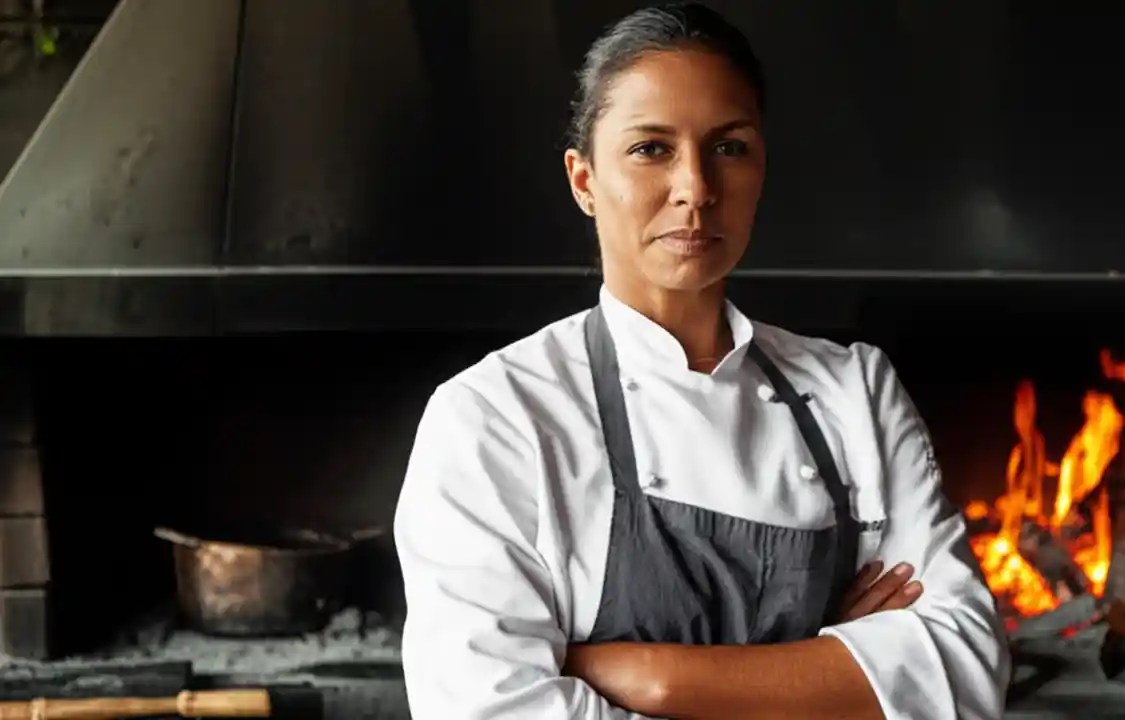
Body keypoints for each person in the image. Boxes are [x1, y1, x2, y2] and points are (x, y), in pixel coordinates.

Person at [394, 4, 1010, 718]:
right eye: (651, 148)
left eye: (729, 146)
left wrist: (652, 676)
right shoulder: (495, 417)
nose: (695, 187)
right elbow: (488, 708)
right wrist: (831, 675)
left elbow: (965, 670)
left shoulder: (855, 392)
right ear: (584, 181)